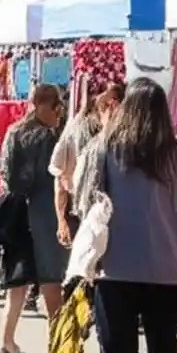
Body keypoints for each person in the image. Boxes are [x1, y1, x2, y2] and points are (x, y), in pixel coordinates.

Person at [74, 77, 177, 353]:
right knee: (163, 343)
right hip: (166, 263)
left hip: (116, 265)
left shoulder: (107, 147)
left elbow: (87, 199)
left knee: (119, 352)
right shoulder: (176, 153)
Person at [0, 84, 68, 353]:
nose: (59, 113)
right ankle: (58, 342)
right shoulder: (47, 138)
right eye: (56, 107)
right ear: (40, 105)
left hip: (15, 212)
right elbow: (51, 178)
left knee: (19, 280)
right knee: (51, 278)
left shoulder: (14, 132)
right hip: (41, 211)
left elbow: (6, 175)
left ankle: (7, 339)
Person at [50, 83, 124, 246]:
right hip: (81, 214)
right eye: (108, 101)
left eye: (116, 100)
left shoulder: (125, 137)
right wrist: (61, 220)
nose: (112, 106)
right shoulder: (78, 129)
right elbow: (61, 177)